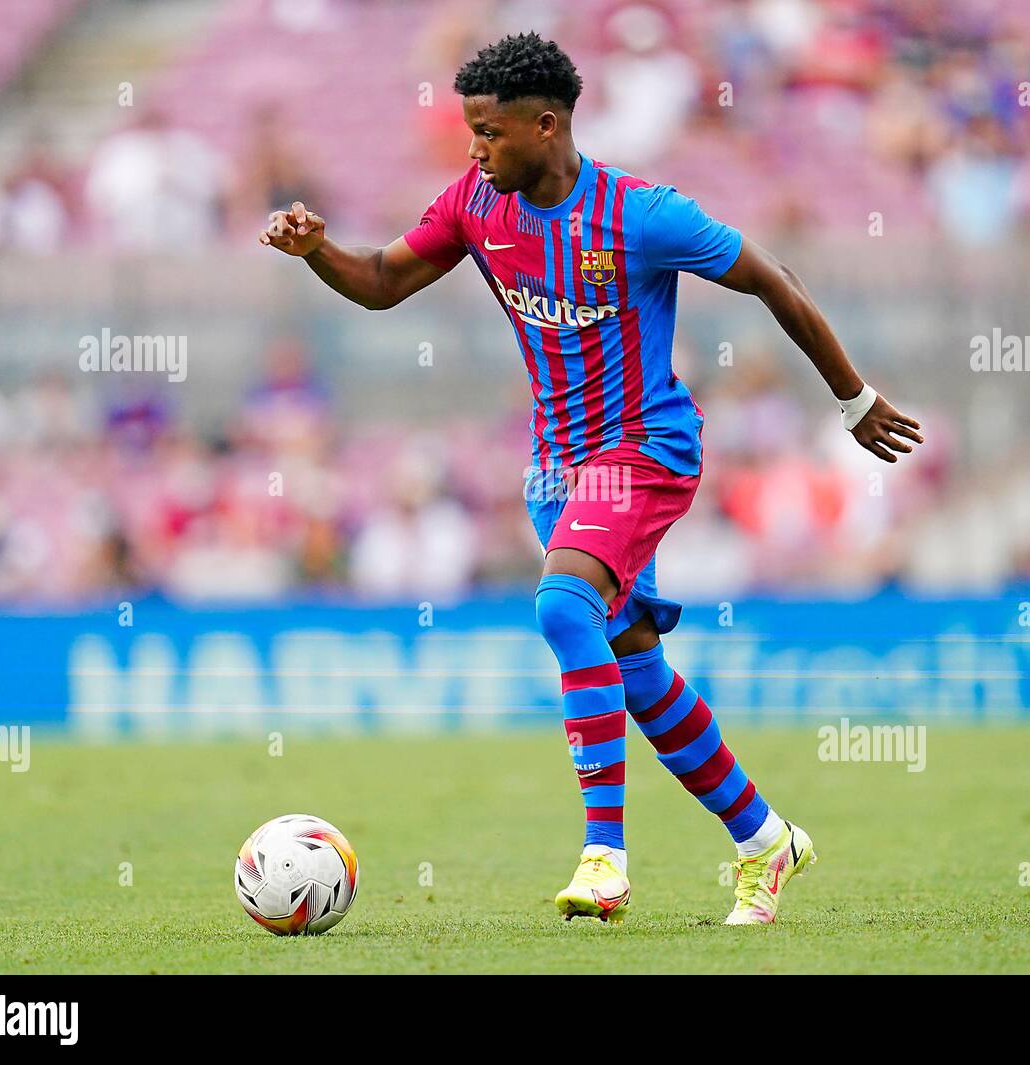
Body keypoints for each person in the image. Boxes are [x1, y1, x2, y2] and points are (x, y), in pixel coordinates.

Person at [260, 32, 923, 925]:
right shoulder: (473, 203)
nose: (474, 148)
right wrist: (316, 250)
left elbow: (775, 280)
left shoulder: (640, 215)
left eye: (489, 132)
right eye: (470, 131)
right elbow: (382, 281)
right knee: (634, 667)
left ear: (547, 125)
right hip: (556, 471)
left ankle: (605, 854)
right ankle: (766, 839)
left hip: (648, 448)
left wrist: (854, 398)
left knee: (562, 607)